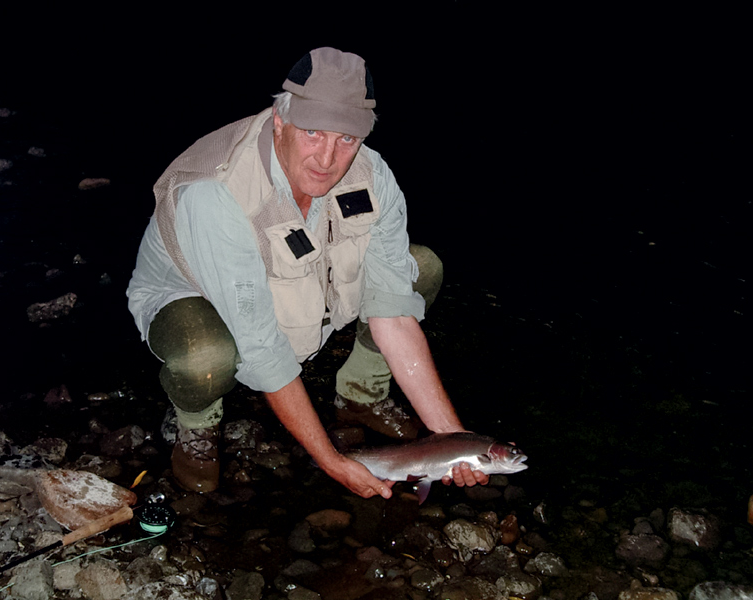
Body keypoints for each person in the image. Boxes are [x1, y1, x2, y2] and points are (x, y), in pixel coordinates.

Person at [127, 47, 488, 498]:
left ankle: (361, 394)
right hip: (191, 292)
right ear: (280, 122)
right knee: (205, 356)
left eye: (346, 140)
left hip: (292, 281)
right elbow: (260, 348)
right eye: (312, 132)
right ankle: (196, 424)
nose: (327, 158)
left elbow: (394, 312)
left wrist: (456, 443)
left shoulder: (374, 176)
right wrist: (330, 461)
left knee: (422, 269)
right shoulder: (216, 194)